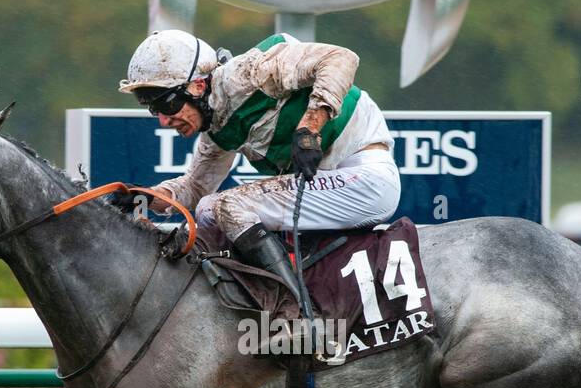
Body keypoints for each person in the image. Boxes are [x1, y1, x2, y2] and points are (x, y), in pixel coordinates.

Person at [114, 29, 398, 294]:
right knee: (208, 209)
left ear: (198, 86)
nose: (164, 120)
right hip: (335, 188)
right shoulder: (216, 130)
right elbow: (196, 188)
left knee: (227, 206)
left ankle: (292, 305)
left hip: (364, 179)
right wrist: (144, 196)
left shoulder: (247, 73)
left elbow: (341, 58)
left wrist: (310, 128)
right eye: (153, 110)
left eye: (166, 104)